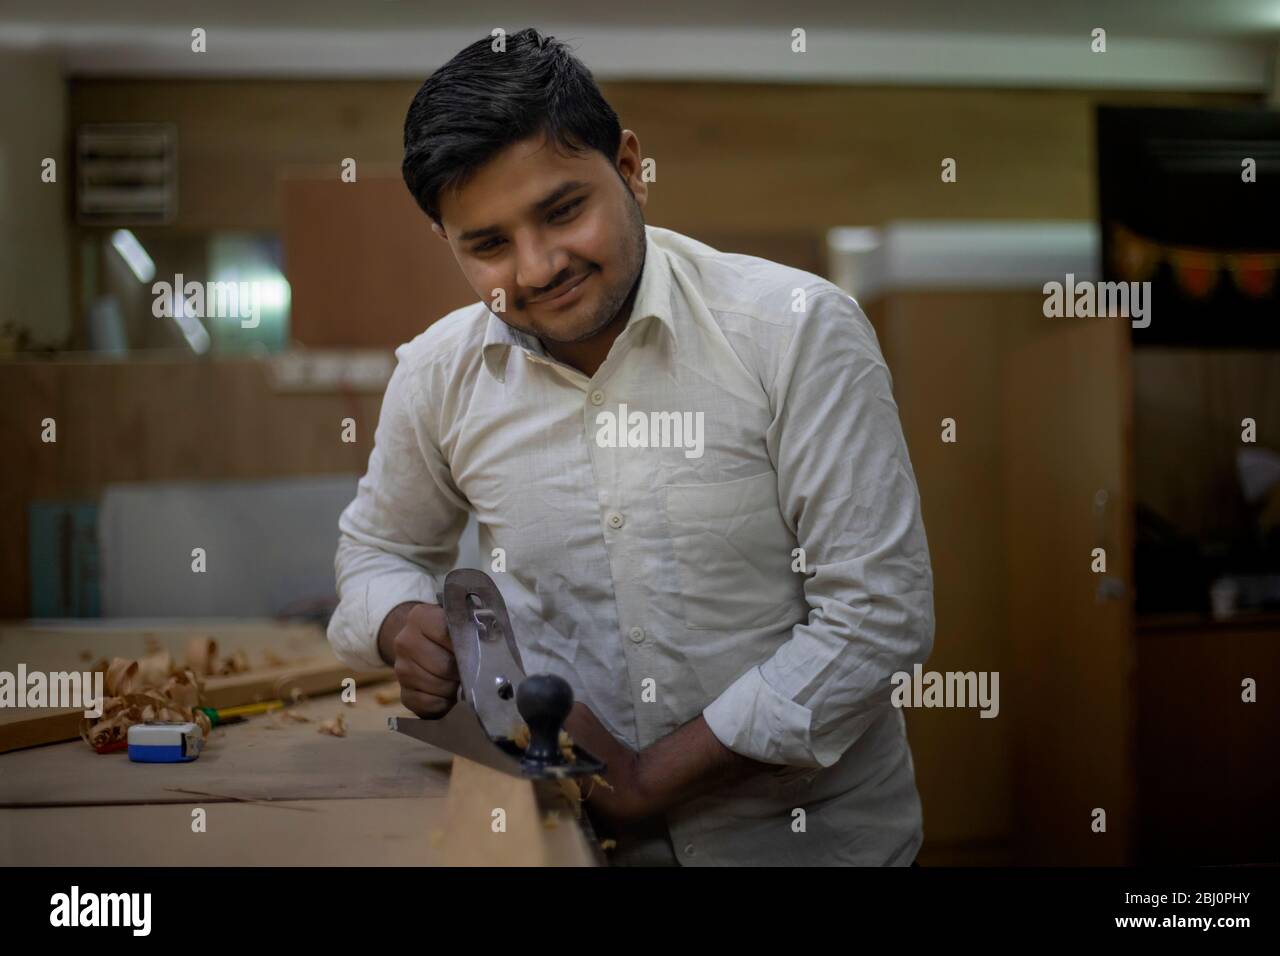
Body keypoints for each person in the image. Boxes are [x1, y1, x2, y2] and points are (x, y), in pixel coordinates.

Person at [327, 27, 935, 866]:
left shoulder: (794, 332)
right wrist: (403, 623)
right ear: (448, 243)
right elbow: (378, 548)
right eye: (488, 243)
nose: (537, 267)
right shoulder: (438, 373)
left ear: (632, 166)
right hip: (567, 843)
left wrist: (644, 781)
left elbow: (879, 618)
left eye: (563, 210)